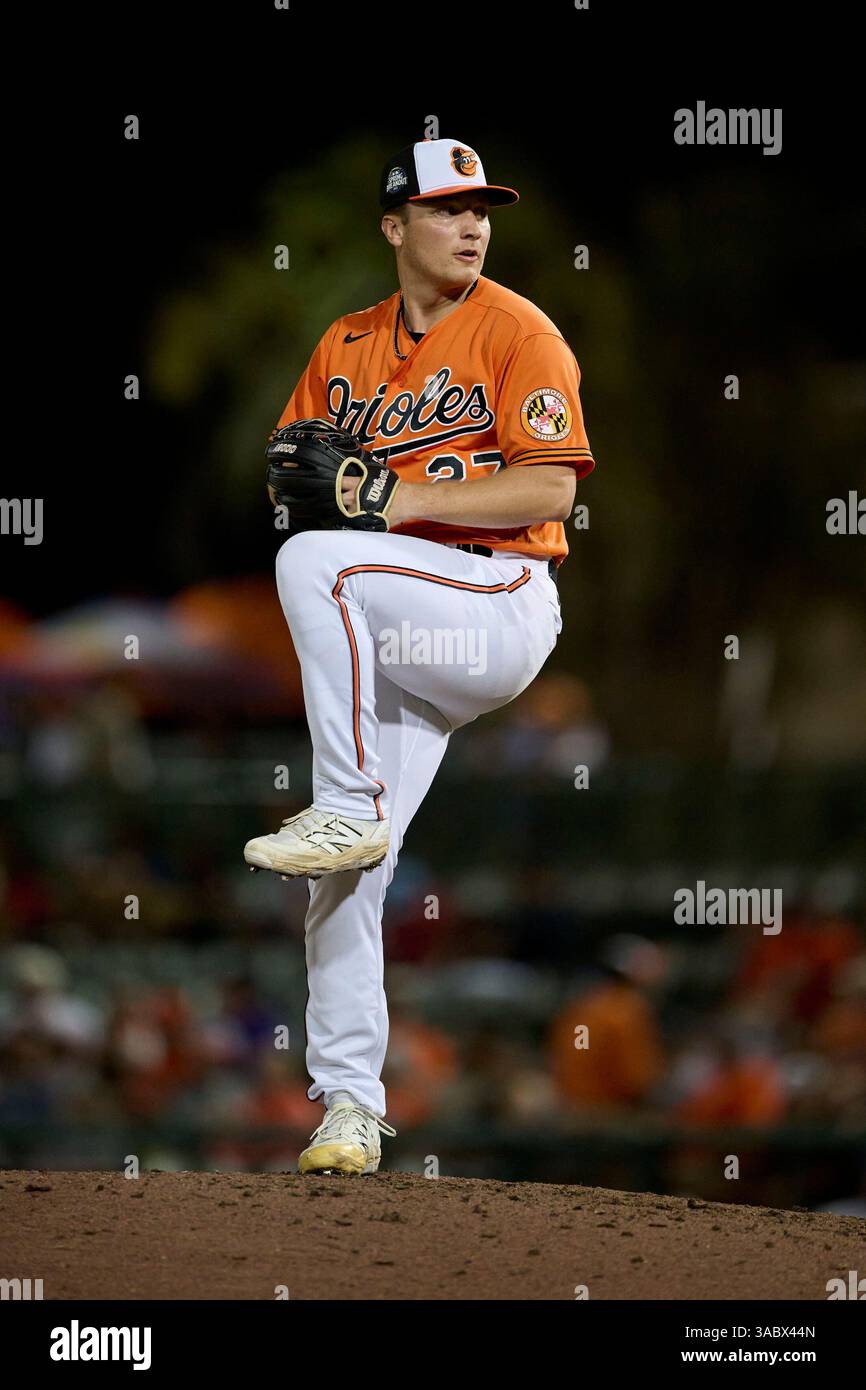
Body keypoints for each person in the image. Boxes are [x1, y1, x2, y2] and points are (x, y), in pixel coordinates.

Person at [244, 137, 597, 1175]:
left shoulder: (518, 331)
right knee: (348, 876)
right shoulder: (344, 344)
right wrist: (298, 487)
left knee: (326, 564)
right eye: (445, 209)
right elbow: (288, 472)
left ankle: (346, 799)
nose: (471, 225)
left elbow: (549, 492)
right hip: (399, 639)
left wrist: (395, 501)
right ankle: (350, 1107)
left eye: (480, 207)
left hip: (496, 602)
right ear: (395, 227)